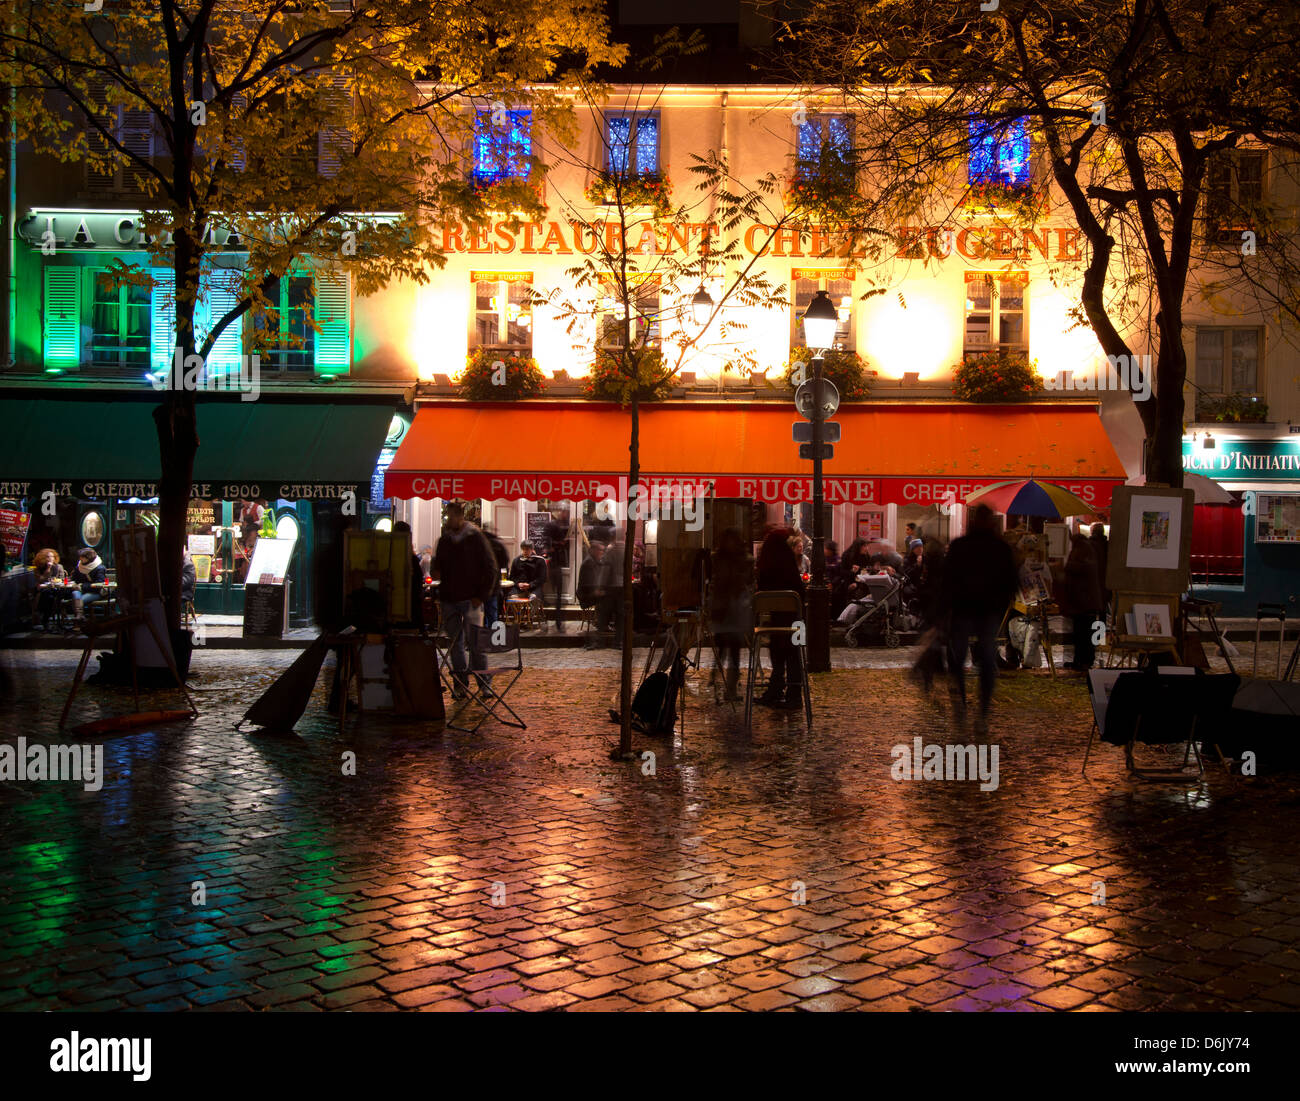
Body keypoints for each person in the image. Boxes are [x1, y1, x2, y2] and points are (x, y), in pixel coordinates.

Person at [938, 505, 1018, 733]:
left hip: (964, 609)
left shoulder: (961, 546)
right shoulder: (1000, 547)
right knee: (985, 658)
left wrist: (944, 609)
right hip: (986, 610)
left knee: (960, 658)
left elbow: (947, 581)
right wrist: (1000, 604)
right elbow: (1011, 581)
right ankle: (981, 712)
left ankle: (962, 708)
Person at [433, 502, 498, 696]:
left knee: (476, 644)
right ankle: (460, 684)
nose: (448, 520)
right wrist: (436, 571)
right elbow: (438, 565)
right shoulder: (445, 540)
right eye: (447, 516)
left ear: (460, 517)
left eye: (451, 516)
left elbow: (490, 567)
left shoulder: (475, 538)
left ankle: (483, 683)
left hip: (471, 598)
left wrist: (481, 595)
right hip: (450, 598)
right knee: (455, 645)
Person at [755, 528, 805, 710]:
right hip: (796, 624)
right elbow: (800, 593)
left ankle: (775, 688)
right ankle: (795, 693)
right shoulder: (789, 565)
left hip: (775, 625)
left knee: (777, 646)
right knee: (795, 651)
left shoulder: (766, 568)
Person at [709, 527, 752, 700]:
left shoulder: (737, 559)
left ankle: (728, 686)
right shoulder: (723, 559)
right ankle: (719, 680)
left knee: (732, 647)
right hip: (725, 606)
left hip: (734, 606)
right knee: (723, 646)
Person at [1062, 533, 1104, 672]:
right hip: (1083, 602)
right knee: (1081, 633)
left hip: (1085, 602)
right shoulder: (1085, 548)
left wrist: (1066, 565)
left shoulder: (1083, 549)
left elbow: (1083, 568)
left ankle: (1084, 661)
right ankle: (1080, 660)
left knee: (1084, 633)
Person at [392, 520, 424, 628]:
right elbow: (418, 580)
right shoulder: (411, 558)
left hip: (394, 606)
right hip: (411, 607)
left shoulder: (389, 555)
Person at [508, 540, 548, 622]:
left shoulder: (540, 561)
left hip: (534, 588)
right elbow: (512, 577)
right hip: (520, 588)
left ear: (532, 550)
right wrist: (518, 584)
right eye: (523, 549)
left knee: (534, 598)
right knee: (510, 598)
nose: (525, 551)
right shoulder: (516, 560)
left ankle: (529, 618)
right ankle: (519, 617)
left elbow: (542, 578)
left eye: (527, 549)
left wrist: (530, 585)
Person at [543, 509, 570, 632]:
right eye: (564, 512)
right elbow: (549, 544)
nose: (565, 514)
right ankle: (557, 620)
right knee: (557, 593)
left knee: (558, 594)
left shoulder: (563, 525)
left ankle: (558, 620)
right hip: (554, 563)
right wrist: (560, 544)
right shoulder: (553, 525)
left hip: (558, 563)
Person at [480, 524, 509, 629]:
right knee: (492, 611)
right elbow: (505, 562)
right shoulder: (498, 544)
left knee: (479, 612)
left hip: (479, 584)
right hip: (493, 583)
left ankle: (483, 632)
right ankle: (492, 634)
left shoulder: (479, 543)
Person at [33, 548, 67, 629]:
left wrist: (57, 581)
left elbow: (62, 579)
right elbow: (40, 580)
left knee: (49, 596)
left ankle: (45, 619)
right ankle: (45, 619)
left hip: (57, 589)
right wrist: (48, 569)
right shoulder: (38, 569)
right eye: (48, 557)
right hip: (44, 590)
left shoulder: (59, 567)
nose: (50, 559)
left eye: (52, 557)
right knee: (47, 596)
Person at [71, 547, 107, 622]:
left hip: (95, 591)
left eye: (82, 557)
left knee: (80, 600)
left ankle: (79, 618)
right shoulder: (79, 567)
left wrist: (82, 586)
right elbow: (74, 579)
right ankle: (80, 616)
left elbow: (99, 583)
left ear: (88, 558)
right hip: (81, 590)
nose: (80, 558)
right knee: (75, 593)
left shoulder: (99, 568)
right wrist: (74, 584)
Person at [577, 540, 607, 618]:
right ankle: (602, 621)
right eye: (600, 550)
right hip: (586, 595)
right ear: (593, 551)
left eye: (603, 550)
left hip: (589, 592)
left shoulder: (593, 560)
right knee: (610, 598)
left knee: (610, 595)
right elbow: (589, 583)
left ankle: (602, 620)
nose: (602, 552)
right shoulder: (589, 562)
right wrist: (598, 591)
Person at [1089, 522, 1111, 611]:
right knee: (1103, 604)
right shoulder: (1108, 545)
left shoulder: (1088, 544)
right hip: (1105, 577)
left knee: (1091, 604)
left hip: (1092, 577)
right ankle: (1102, 619)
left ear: (1092, 531)